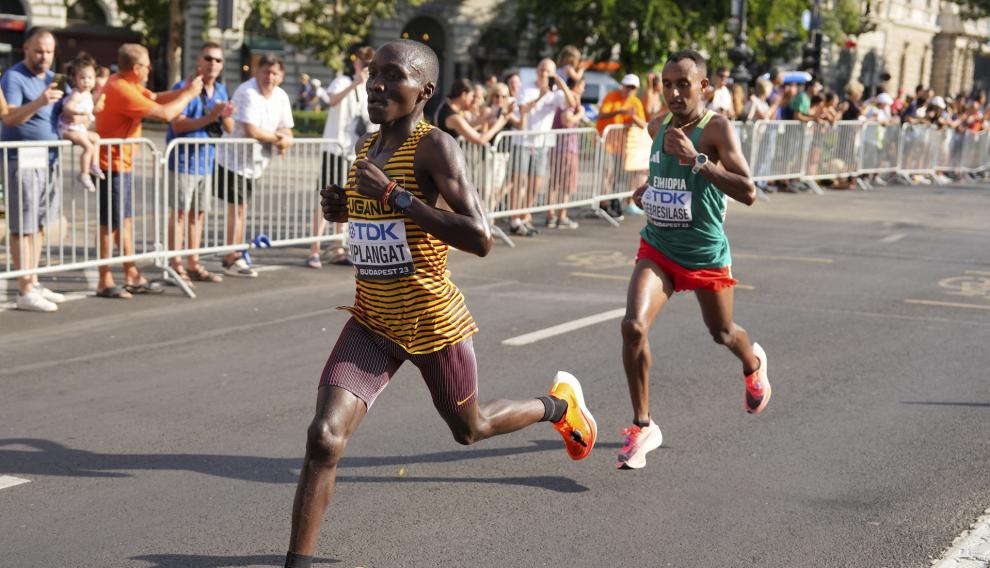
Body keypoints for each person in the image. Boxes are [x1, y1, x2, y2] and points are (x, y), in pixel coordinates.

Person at [282, 40, 597, 568]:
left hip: (432, 321)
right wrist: (347, 209)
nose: (376, 84)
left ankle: (559, 407)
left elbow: (479, 236)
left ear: (424, 90)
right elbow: (381, 220)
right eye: (373, 74)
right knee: (323, 437)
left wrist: (394, 198)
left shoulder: (436, 147)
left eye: (392, 76)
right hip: (373, 319)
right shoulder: (367, 145)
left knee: (470, 429)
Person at [618, 50, 770, 470]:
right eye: (667, 84)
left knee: (722, 332)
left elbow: (748, 191)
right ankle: (643, 425)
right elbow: (664, 173)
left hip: (704, 254)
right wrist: (649, 189)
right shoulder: (656, 125)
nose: (673, 92)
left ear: (704, 86)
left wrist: (698, 160)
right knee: (633, 326)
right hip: (659, 248)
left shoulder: (716, 128)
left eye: (683, 84)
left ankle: (754, 364)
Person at [94, 43, 203, 299]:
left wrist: (186, 90)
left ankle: (130, 272)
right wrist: (189, 95)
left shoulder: (126, 84)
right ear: (135, 68)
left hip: (122, 165)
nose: (150, 69)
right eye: (146, 65)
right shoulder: (120, 88)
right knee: (110, 225)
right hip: (111, 165)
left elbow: (154, 98)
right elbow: (165, 114)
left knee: (125, 223)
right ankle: (104, 278)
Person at [1, 27, 67, 312]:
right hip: (22, 159)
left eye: (49, 52)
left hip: (49, 158)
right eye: (39, 51)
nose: (44, 57)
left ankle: (34, 279)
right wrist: (40, 101)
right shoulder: (14, 77)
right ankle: (24, 288)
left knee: (39, 224)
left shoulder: (54, 79)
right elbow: (10, 118)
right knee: (23, 226)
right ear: (26, 48)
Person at [215, 54, 294, 278]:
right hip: (233, 159)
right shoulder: (248, 91)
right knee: (237, 208)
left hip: (256, 162)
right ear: (256, 72)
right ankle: (232, 256)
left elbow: (286, 128)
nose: (269, 77)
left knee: (242, 208)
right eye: (265, 72)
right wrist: (280, 140)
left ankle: (235, 251)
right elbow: (252, 130)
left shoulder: (280, 96)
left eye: (274, 73)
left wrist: (286, 138)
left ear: (281, 75)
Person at [165, 41, 234, 285]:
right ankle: (175, 264)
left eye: (217, 60)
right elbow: (177, 123)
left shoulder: (222, 90)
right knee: (180, 214)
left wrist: (224, 116)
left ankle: (193, 262)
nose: (212, 64)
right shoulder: (185, 87)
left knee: (199, 214)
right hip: (184, 161)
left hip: (206, 161)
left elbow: (229, 127)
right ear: (198, 61)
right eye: (208, 58)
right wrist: (210, 116)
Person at [307, 46, 375, 269]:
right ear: (355, 63)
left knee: (347, 201)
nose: (365, 67)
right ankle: (314, 249)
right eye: (362, 62)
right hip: (334, 149)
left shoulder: (370, 89)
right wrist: (355, 82)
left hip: (353, 153)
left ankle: (338, 248)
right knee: (326, 199)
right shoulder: (342, 81)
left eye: (369, 63)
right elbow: (332, 100)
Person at [508, 58, 579, 236]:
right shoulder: (527, 87)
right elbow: (523, 109)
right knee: (519, 182)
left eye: (548, 71)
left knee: (535, 184)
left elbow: (571, 104)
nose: (544, 73)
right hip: (523, 141)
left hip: (542, 143)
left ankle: (525, 217)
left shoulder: (555, 92)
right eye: (542, 69)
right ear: (537, 70)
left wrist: (562, 84)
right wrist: (541, 95)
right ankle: (514, 219)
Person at [596, 73, 648, 219]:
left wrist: (632, 116)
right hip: (606, 142)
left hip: (622, 145)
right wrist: (619, 111)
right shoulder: (611, 97)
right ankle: (605, 204)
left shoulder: (636, 102)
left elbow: (642, 124)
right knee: (607, 173)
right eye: (627, 87)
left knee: (616, 176)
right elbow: (601, 115)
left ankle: (610, 202)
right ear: (622, 86)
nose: (629, 90)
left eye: (632, 88)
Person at [57, 52, 102, 191]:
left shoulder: (88, 94)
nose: (87, 81)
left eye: (90, 78)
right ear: (75, 80)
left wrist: (92, 111)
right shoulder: (76, 93)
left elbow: (89, 113)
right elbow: (67, 108)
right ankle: (84, 174)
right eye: (83, 78)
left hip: (79, 128)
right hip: (68, 128)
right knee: (88, 147)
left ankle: (94, 164)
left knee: (96, 138)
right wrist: (80, 113)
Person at [546, 77, 586, 229]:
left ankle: (552, 215)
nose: (583, 89)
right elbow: (567, 120)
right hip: (566, 147)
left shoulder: (564, 98)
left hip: (559, 146)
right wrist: (580, 114)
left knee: (556, 182)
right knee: (564, 183)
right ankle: (560, 216)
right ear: (575, 86)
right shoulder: (570, 99)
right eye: (582, 85)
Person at [433, 78, 511, 144]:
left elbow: (468, 125)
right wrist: (500, 123)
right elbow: (480, 139)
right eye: (472, 96)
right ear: (464, 95)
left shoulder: (445, 105)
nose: (473, 100)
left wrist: (485, 119)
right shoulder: (453, 117)